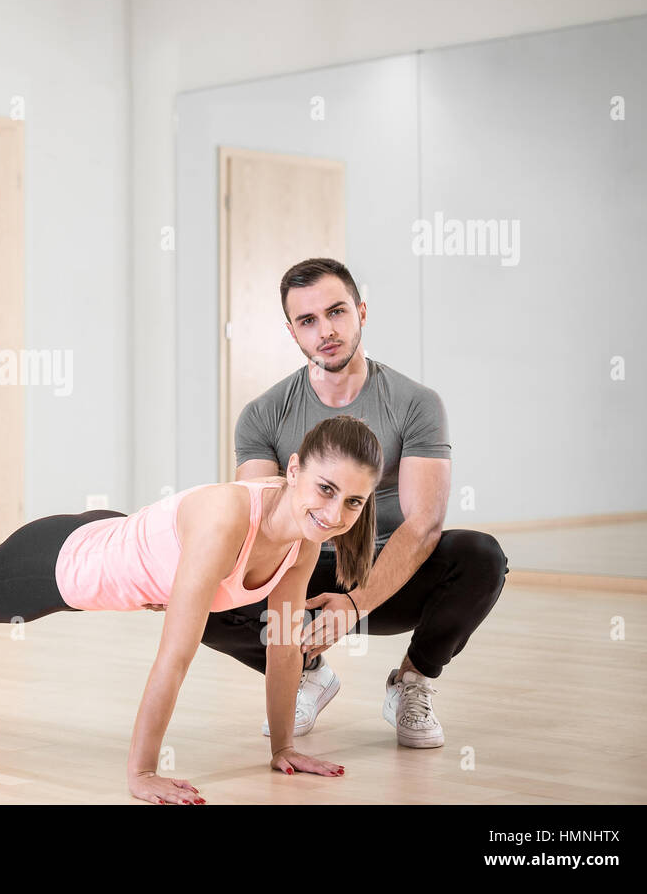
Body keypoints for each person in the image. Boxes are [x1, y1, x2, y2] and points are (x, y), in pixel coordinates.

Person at [0, 415, 384, 804]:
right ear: (294, 468)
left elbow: (284, 647)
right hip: (61, 567)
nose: (335, 513)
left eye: (353, 501)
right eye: (326, 489)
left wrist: (282, 748)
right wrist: (142, 771)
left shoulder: (303, 541)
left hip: (101, 541)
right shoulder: (228, 518)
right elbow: (175, 656)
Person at [202, 257, 509, 749]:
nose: (326, 330)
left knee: (481, 556)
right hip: (300, 578)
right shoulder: (261, 415)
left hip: (389, 577)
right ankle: (306, 670)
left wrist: (354, 604)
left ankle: (411, 680)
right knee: (201, 589)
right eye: (308, 321)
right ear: (292, 332)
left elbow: (424, 524)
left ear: (361, 312)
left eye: (336, 312)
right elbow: (257, 525)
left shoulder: (416, 403)